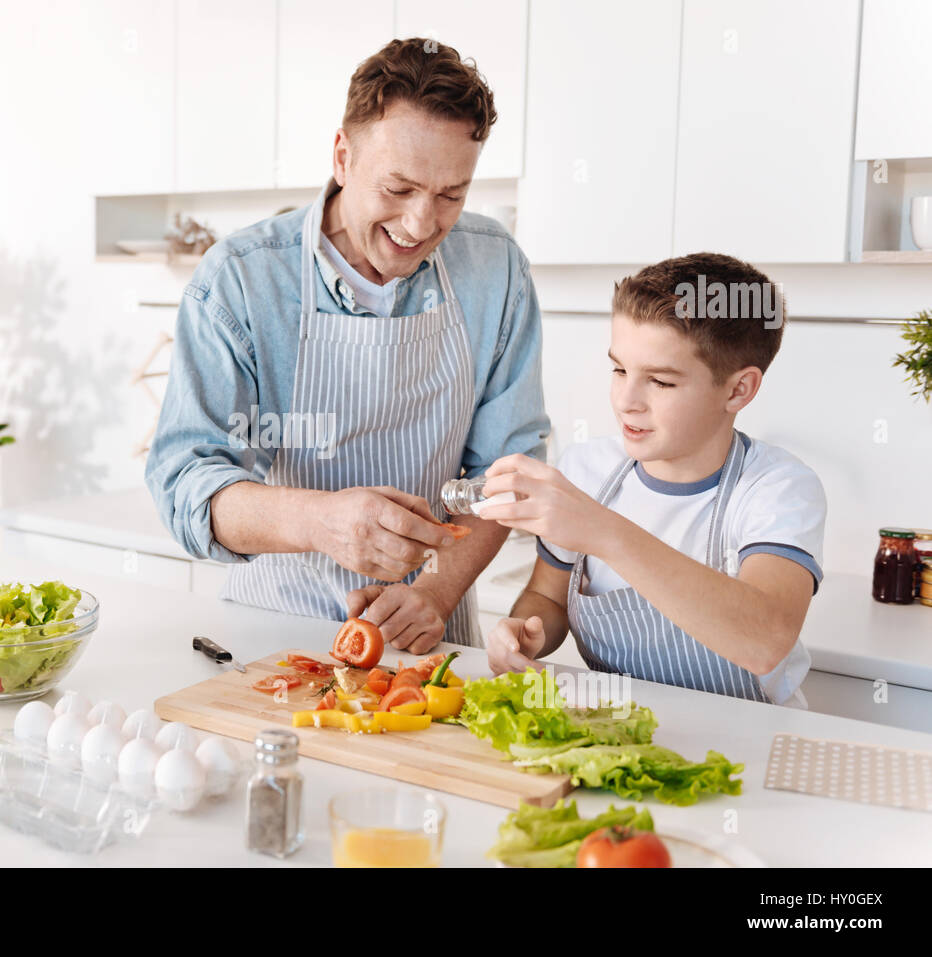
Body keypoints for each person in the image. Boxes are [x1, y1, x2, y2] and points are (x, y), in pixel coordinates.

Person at [145, 38, 549, 651]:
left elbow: (504, 471)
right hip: (269, 635)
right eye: (398, 189)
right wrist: (321, 521)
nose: (420, 225)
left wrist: (435, 591)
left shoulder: (496, 268)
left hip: (428, 641)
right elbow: (185, 481)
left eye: (451, 196)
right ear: (342, 156)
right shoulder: (241, 279)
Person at [478, 253, 825, 707]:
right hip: (619, 732)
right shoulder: (587, 469)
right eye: (620, 369)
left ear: (738, 389)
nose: (627, 401)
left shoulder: (778, 488)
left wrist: (601, 530)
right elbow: (549, 598)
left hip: (749, 743)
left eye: (660, 382)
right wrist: (524, 633)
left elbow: (765, 640)